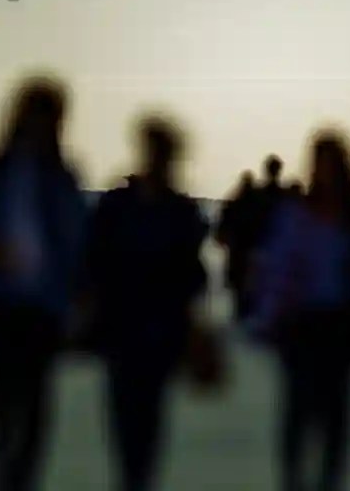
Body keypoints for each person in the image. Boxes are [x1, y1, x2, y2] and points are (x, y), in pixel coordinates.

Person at [0, 76, 88, 491]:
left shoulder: (60, 176)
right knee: (9, 387)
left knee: (35, 396)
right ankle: (7, 470)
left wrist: (78, 298)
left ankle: (18, 475)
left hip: (43, 302)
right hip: (0, 298)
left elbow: (76, 244)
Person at [250, 133, 350, 491]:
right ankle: (294, 481)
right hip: (301, 325)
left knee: (335, 416)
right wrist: (268, 316)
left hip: (341, 326)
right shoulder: (297, 216)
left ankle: (328, 481)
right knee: (297, 412)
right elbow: (279, 270)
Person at [84, 117, 209, 491]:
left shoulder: (143, 207)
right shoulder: (144, 207)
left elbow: (192, 275)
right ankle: (135, 479)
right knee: (132, 416)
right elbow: (94, 262)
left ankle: (135, 479)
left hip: (154, 331)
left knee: (143, 416)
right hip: (127, 327)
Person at [217, 171, 258, 320]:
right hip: (248, 253)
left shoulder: (236, 203)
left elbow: (222, 230)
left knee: (239, 292)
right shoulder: (254, 204)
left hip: (239, 252)